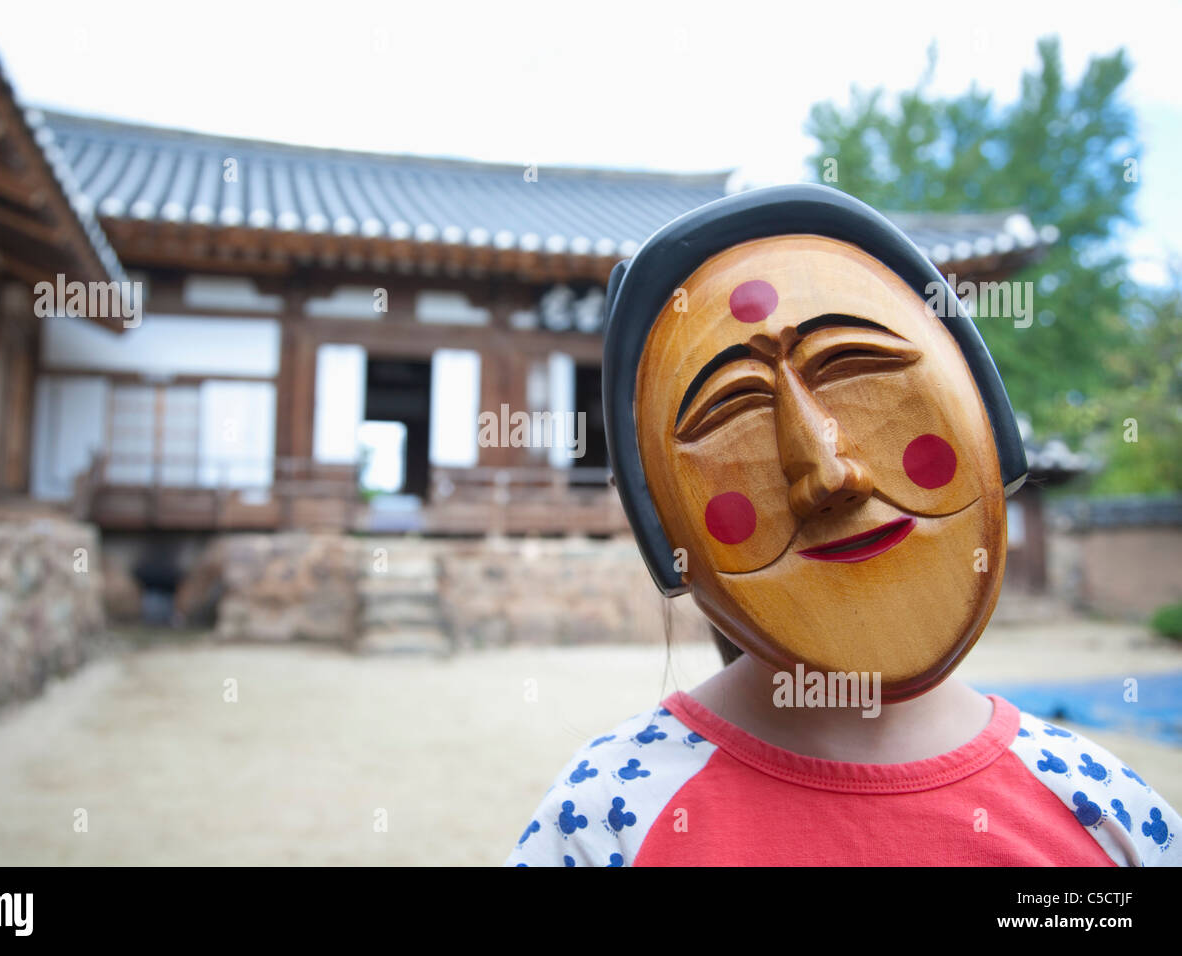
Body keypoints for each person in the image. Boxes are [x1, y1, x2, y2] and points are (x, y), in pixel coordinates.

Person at [504, 184, 1181, 867]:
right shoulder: (604, 821)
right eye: (733, 415)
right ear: (663, 526)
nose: (827, 475)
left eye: (857, 369)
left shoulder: (1102, 811)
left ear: (989, 424)